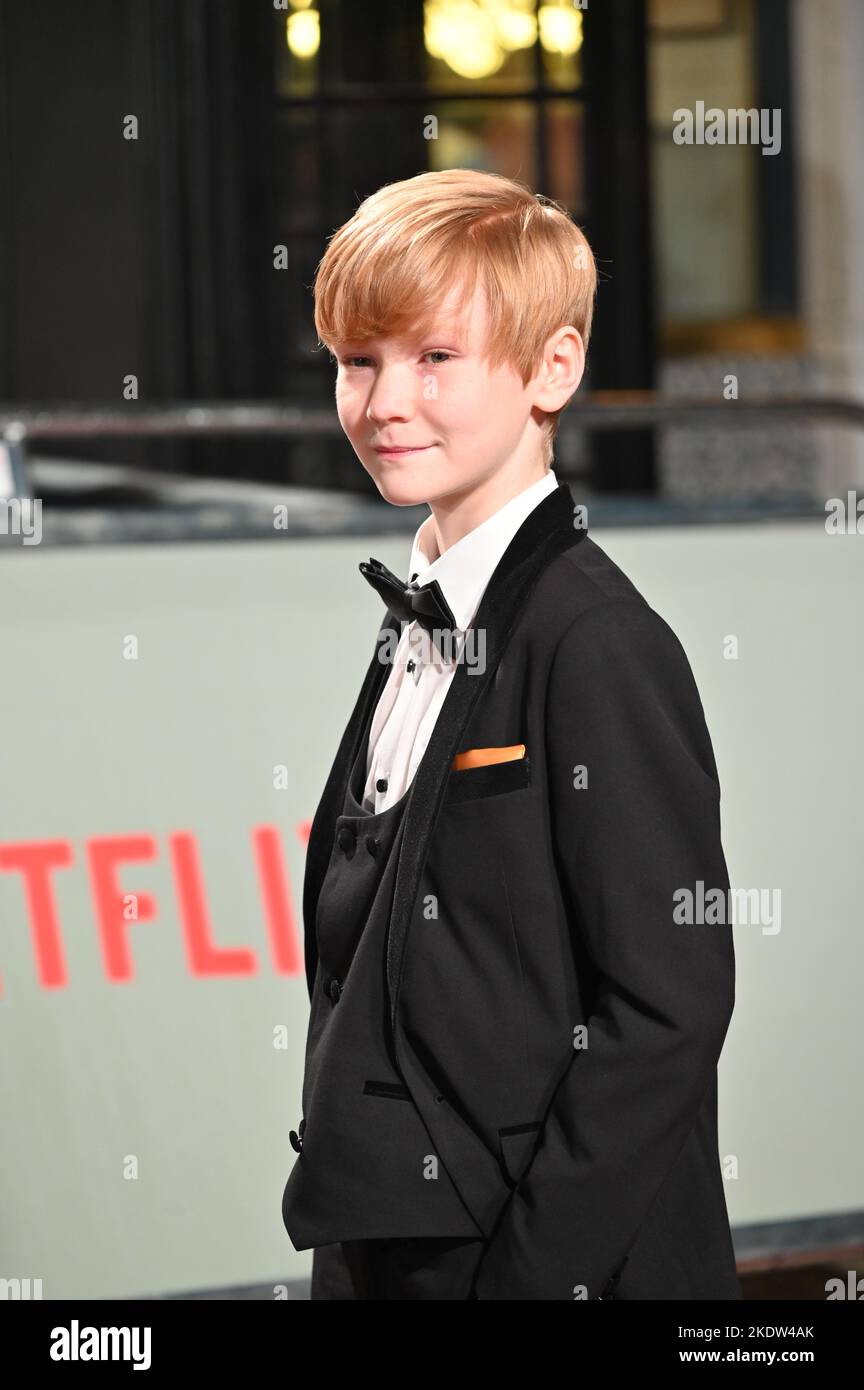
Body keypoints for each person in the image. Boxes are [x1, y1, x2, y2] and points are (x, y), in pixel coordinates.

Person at [281, 168, 740, 1301]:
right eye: (358, 361)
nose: (385, 401)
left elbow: (667, 1005)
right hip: (382, 1237)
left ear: (554, 369)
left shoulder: (599, 642)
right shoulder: (419, 620)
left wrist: (532, 1281)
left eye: (434, 357)